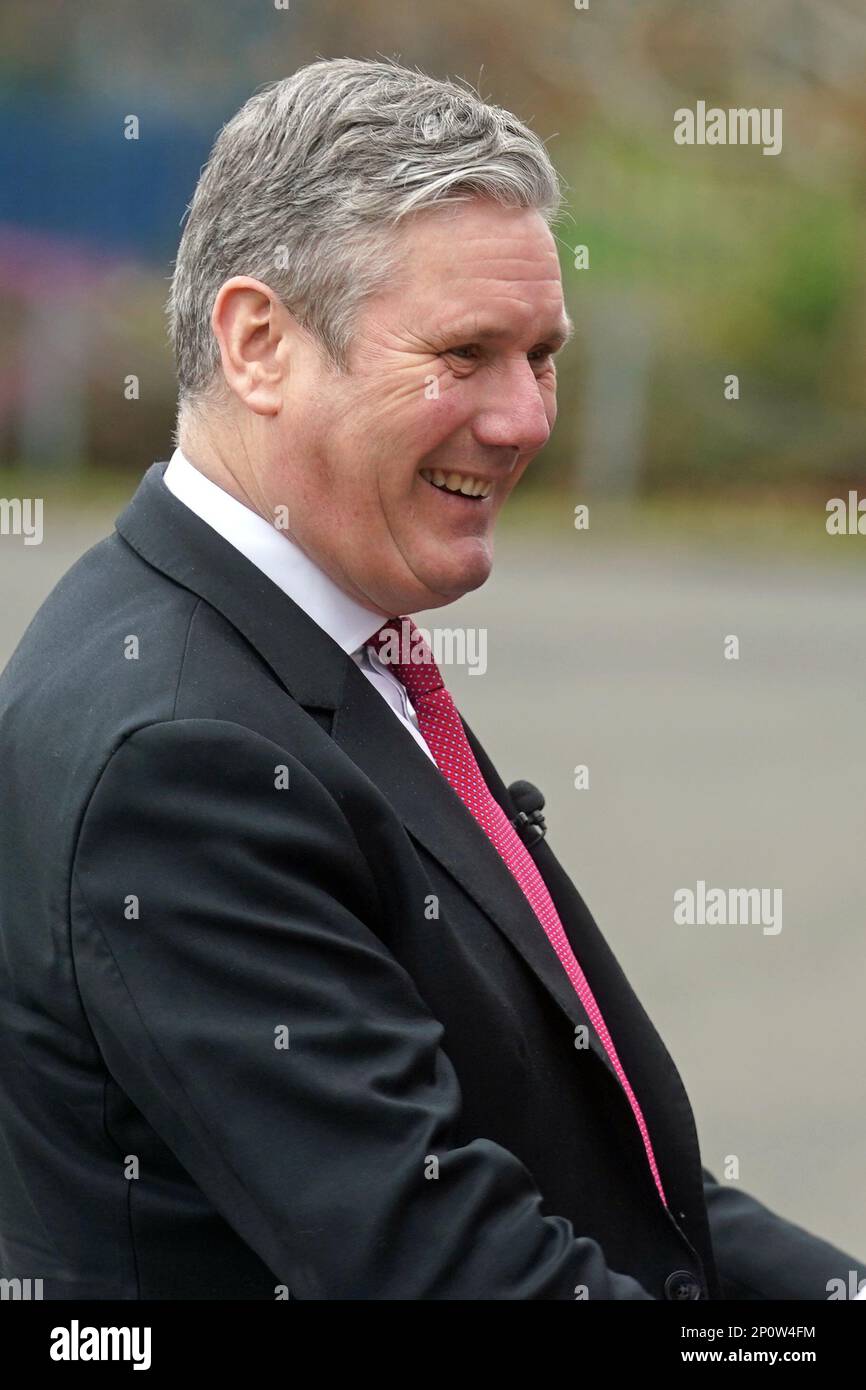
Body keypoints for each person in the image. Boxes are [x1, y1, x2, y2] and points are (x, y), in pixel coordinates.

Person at [0, 57, 862, 1301]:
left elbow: (613, 1184)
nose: (521, 419)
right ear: (258, 344)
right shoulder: (183, 754)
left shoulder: (309, 640)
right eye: (465, 354)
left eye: (542, 356)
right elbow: (451, 1271)